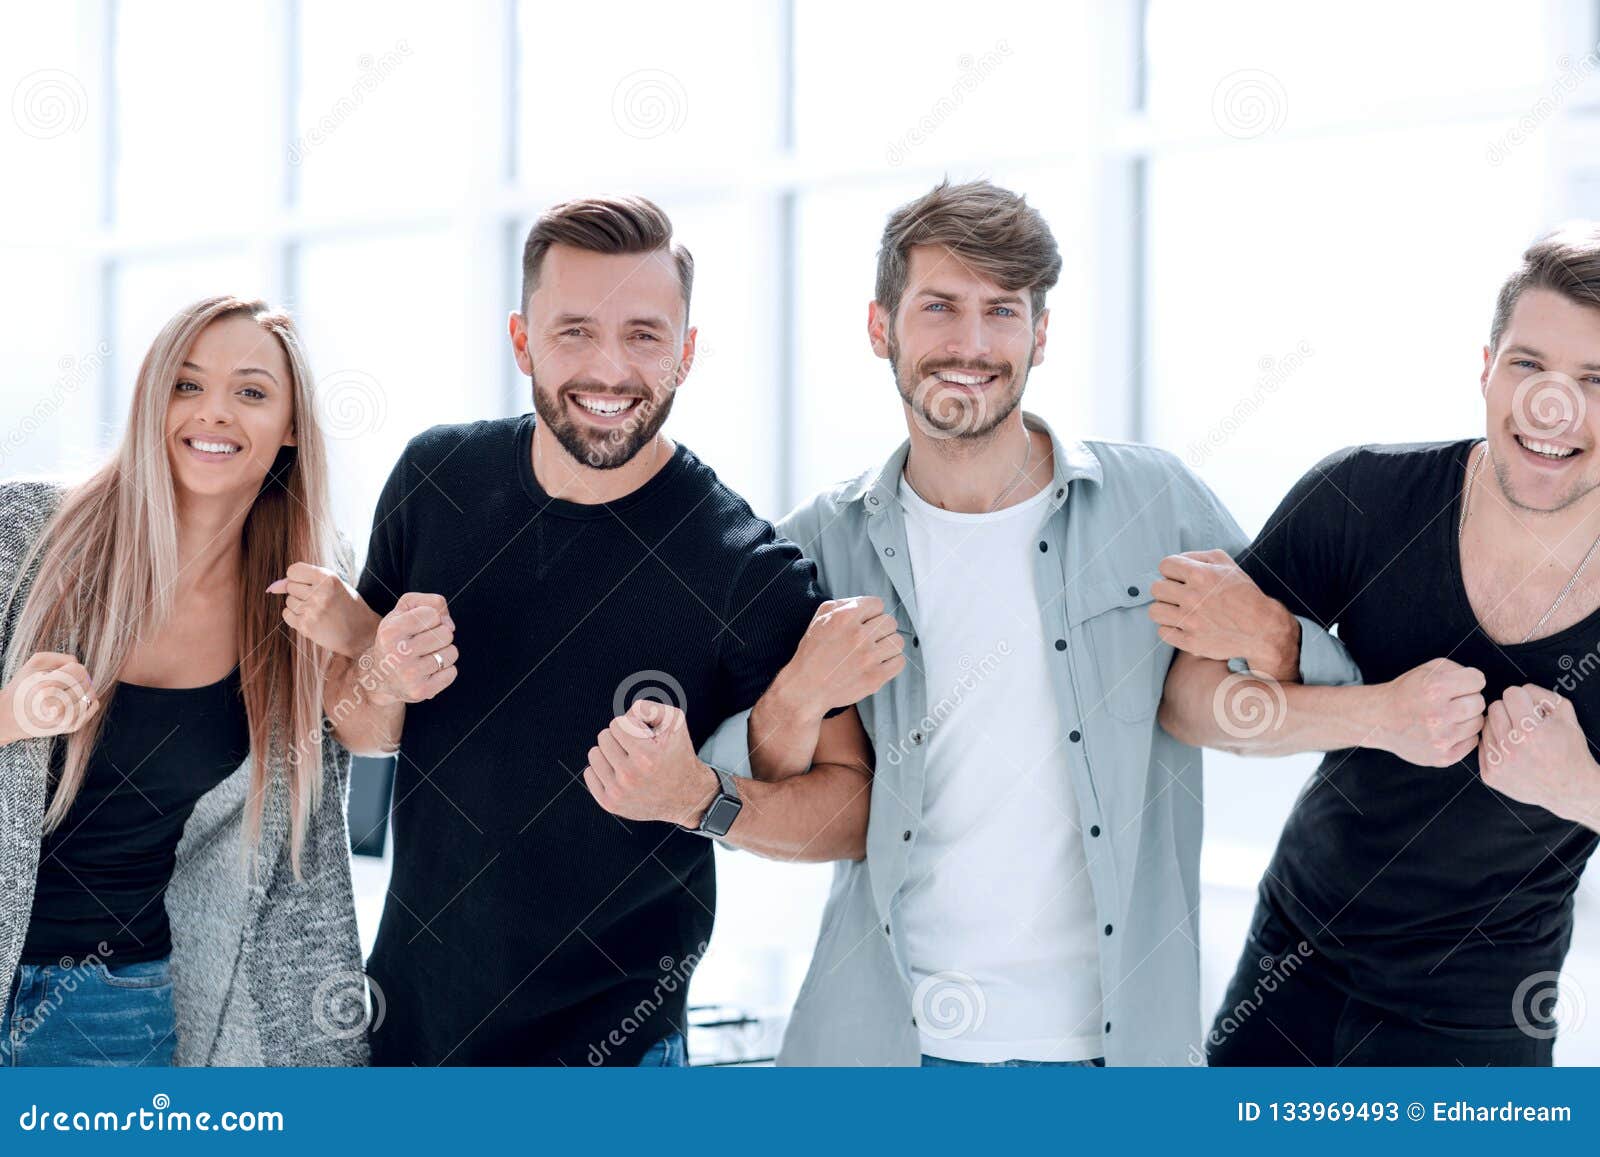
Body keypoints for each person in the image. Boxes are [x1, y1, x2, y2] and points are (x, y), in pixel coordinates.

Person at [699, 179, 1358, 1066]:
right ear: (879, 326)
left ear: (1039, 334)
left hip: (1111, 1055)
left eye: (1001, 311)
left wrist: (1276, 638)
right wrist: (797, 695)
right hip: (883, 1050)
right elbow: (759, 789)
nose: (969, 344)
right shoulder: (816, 546)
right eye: (938, 306)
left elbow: (1322, 692)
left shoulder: (1154, 503)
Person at [281, 195, 879, 1067]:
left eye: (644, 334)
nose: (610, 369)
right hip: (410, 1039)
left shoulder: (744, 566)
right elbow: (359, 727)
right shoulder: (436, 477)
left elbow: (852, 809)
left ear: (687, 349)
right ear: (522, 340)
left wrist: (695, 797)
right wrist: (381, 673)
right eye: (575, 333)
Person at [1155, 225, 1600, 1066]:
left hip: (1480, 1010)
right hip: (1293, 957)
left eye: (1595, 379)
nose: (1553, 407)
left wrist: (1578, 785)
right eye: (1529, 365)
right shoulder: (1364, 497)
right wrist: (1377, 714)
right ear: (1486, 367)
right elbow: (1186, 702)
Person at [0, 297, 368, 1067]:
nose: (215, 413)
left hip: (108, 1006)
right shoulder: (23, 531)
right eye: (187, 385)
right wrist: (8, 712)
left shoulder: (303, 600)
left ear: (293, 425)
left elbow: (380, 735)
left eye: (254, 392)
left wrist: (362, 636)